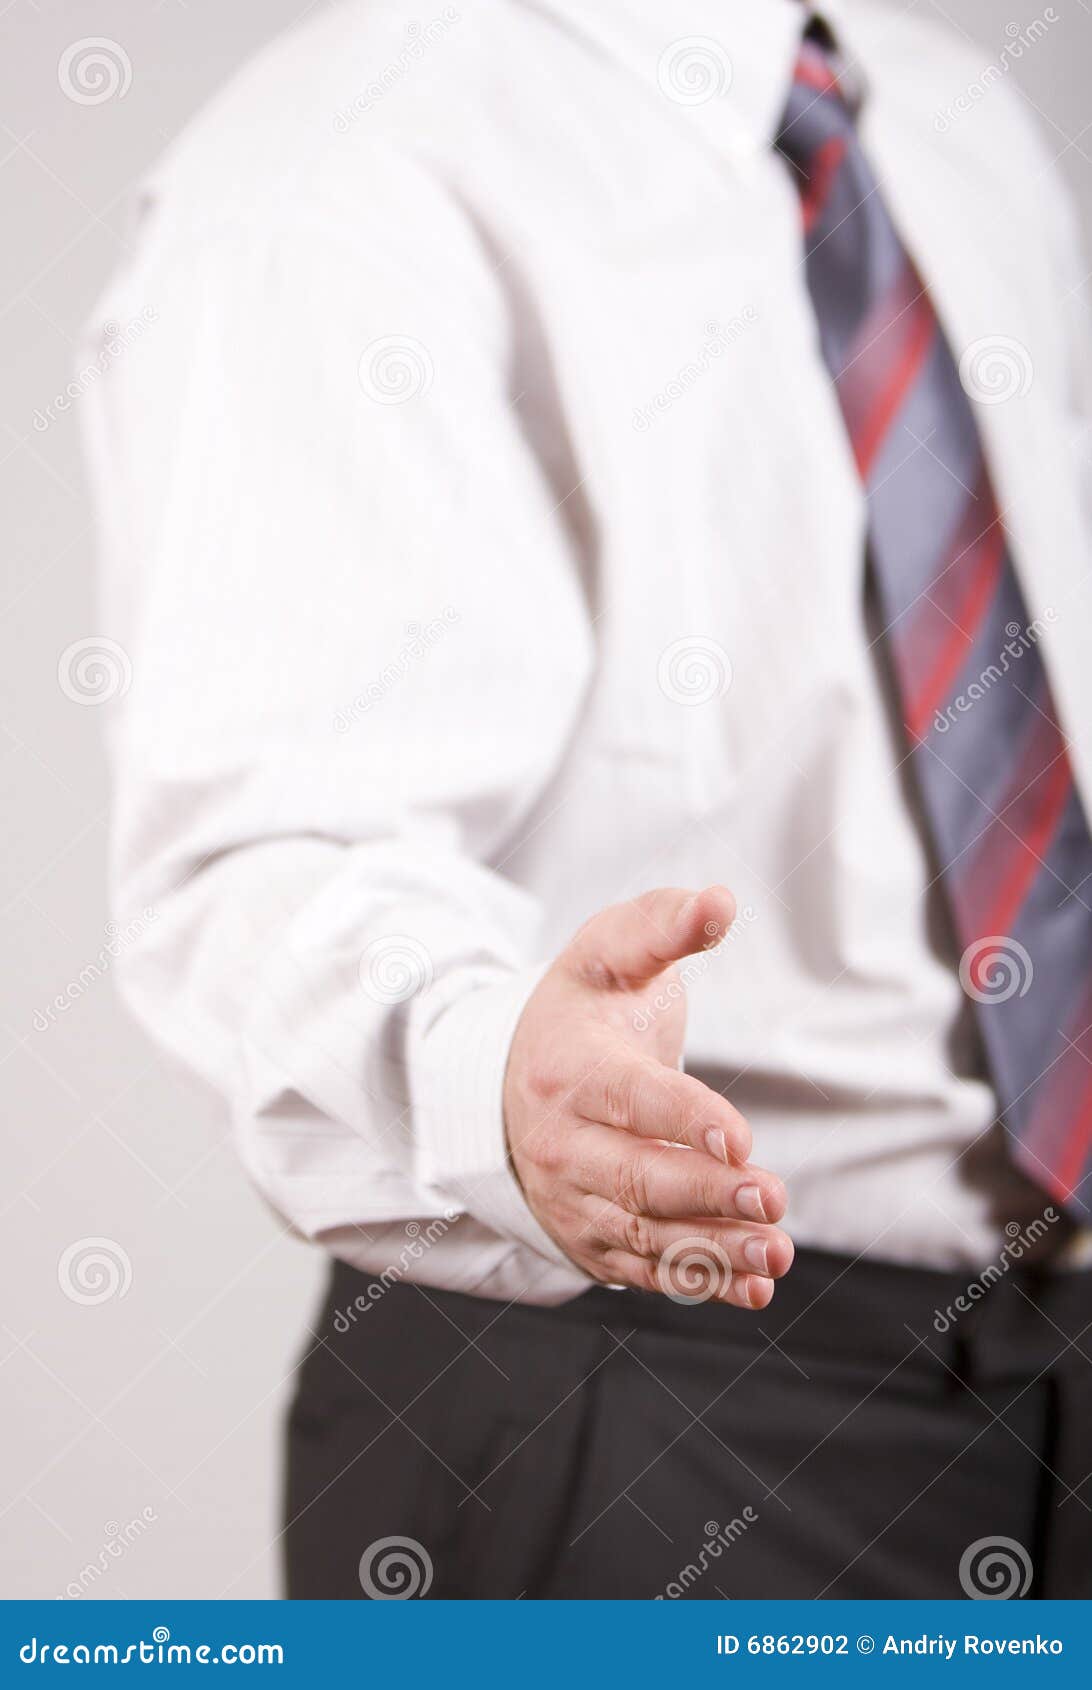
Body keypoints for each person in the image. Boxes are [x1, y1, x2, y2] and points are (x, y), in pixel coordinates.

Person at [83, 0, 1092, 1598]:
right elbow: (260, 852)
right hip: (635, 1381)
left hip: (1050, 1356)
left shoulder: (956, 120)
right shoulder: (347, 163)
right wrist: (501, 1083)